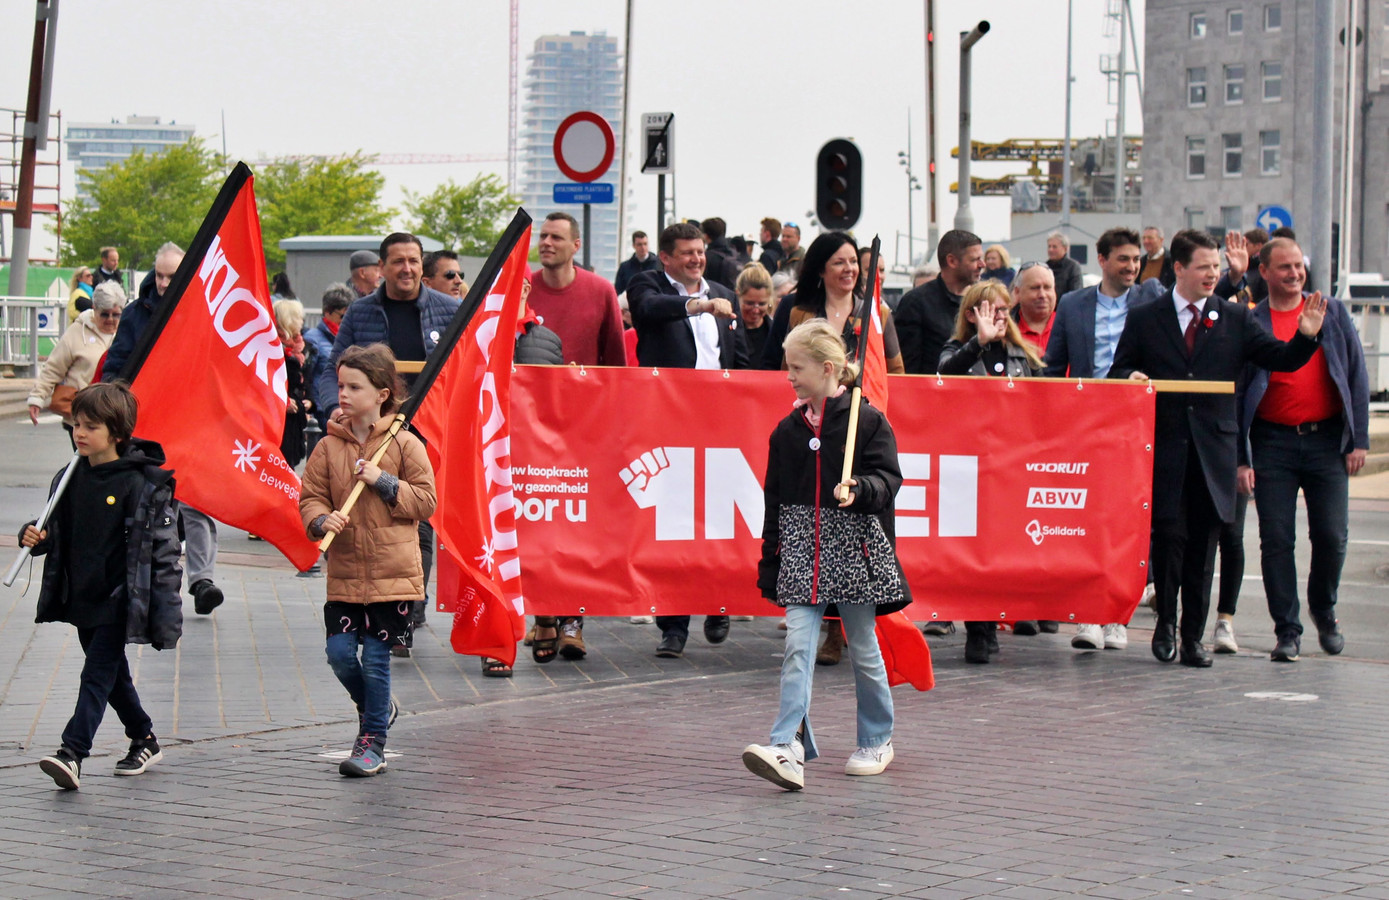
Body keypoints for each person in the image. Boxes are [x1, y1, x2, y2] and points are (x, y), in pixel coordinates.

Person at [1110, 229, 1327, 668]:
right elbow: (1120, 369)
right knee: (1168, 539)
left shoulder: (1234, 318)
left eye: (1216, 267)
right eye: (1204, 267)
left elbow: (1279, 358)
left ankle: (1193, 637)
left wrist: (1305, 337)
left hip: (1214, 451)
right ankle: (1165, 624)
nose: (1213, 275)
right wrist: (1130, 377)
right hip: (1166, 447)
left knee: (1203, 547)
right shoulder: (1147, 317)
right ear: (1178, 268)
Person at [742, 319, 906, 791]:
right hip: (800, 548)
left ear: (828, 368)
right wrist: (771, 561)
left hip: (852, 547)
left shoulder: (866, 421)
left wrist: (862, 488)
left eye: (797, 367)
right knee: (797, 645)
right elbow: (774, 501)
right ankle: (786, 746)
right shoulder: (786, 432)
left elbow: (889, 480)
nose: (789, 376)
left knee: (863, 647)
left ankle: (876, 738)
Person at [25, 382, 182, 790]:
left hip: (120, 598)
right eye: (76, 424)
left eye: (90, 427)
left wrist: (163, 608)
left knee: (95, 674)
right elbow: (54, 529)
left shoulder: (139, 483)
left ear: (116, 433)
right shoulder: (70, 476)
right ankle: (144, 737)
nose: (79, 433)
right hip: (82, 594)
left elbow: (162, 552)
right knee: (114, 676)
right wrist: (36, 535)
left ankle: (72, 753)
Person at [300, 344, 437, 777]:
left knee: (377, 660)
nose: (343, 394)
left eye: (354, 387)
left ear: (382, 394)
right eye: (341, 385)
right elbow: (310, 498)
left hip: (393, 575)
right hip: (345, 574)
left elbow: (426, 502)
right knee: (339, 654)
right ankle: (377, 707)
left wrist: (384, 481)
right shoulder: (327, 447)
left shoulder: (405, 443)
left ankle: (371, 742)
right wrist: (320, 520)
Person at [322, 233, 459, 646]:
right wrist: (334, 405)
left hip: (428, 433)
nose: (407, 269)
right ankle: (387, 607)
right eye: (398, 261)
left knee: (419, 522)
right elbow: (332, 368)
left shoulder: (449, 309)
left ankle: (408, 613)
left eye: (414, 260)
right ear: (381, 268)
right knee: (378, 518)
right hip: (375, 432)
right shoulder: (361, 312)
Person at [1238, 237, 1368, 662]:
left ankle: (1323, 608)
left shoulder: (1331, 312)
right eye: (1285, 267)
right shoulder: (1252, 321)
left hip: (1326, 441)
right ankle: (1287, 630)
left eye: (1298, 266)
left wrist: (1359, 439)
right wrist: (1242, 457)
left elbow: (1356, 373)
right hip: (1271, 442)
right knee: (1276, 540)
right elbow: (1239, 392)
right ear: (1265, 271)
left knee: (1332, 536)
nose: (1294, 274)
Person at [627, 221, 749, 656]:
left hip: (719, 425)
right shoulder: (648, 284)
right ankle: (673, 625)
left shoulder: (725, 293)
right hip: (669, 424)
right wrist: (700, 306)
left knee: (719, 518)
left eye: (700, 251)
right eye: (687, 253)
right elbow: (649, 309)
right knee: (674, 522)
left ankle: (719, 603)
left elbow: (738, 358)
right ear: (665, 257)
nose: (697, 259)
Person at [1044, 227, 1163, 649]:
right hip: (1087, 423)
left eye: (1136, 260)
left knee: (1127, 521)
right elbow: (1054, 367)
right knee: (1087, 520)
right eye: (1123, 259)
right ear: (1102, 260)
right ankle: (1088, 615)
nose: (1131, 267)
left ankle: (1117, 616)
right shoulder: (1073, 304)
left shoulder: (1152, 300)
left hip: (1136, 424)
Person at [102, 242, 226, 618]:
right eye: (159, 274)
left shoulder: (205, 312)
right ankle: (148, 580)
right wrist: (114, 403)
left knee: (196, 500)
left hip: (192, 422)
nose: (163, 282)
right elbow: (116, 364)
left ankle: (202, 580)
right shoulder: (135, 313)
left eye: (171, 276)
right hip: (146, 421)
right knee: (150, 503)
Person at [937, 282, 1044, 662]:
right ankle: (977, 630)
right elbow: (945, 375)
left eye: (1003, 310)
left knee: (1003, 546)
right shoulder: (957, 349)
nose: (1000, 317)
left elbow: (1044, 401)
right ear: (971, 315)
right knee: (973, 549)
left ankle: (996, 618)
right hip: (970, 464)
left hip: (1011, 462)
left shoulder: (1022, 354)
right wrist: (978, 343)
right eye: (991, 310)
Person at [760, 231, 906, 376]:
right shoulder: (800, 314)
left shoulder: (878, 315)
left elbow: (897, 372)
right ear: (821, 270)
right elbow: (789, 371)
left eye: (853, 261)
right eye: (839, 263)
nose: (849, 269)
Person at [527, 212, 626, 368]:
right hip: (531, 383)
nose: (546, 242)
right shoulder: (522, 290)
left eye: (556, 237)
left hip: (585, 384)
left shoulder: (602, 290)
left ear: (576, 245)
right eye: (543, 236)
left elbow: (616, 361)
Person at [30, 281, 123, 444]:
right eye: (104, 314)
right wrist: (37, 398)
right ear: (94, 309)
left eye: (115, 315)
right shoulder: (76, 332)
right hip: (81, 416)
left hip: (113, 416)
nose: (110, 319)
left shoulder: (126, 333)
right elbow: (53, 368)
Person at [894, 229, 985, 376]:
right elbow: (909, 368)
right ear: (952, 261)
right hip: (936, 388)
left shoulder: (983, 300)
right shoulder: (916, 303)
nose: (982, 264)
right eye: (975, 259)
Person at [305, 283, 355, 430]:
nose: (346, 320)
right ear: (327, 312)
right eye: (342, 316)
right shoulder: (312, 338)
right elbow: (306, 377)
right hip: (321, 411)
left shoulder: (350, 337)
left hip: (345, 409)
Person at [274, 299, 311, 468]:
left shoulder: (302, 347)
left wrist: (310, 401)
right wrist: (282, 401)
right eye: (299, 317)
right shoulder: (273, 347)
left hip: (295, 416)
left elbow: (307, 379)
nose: (302, 321)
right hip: (280, 418)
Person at [737, 263, 776, 368]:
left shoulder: (775, 334)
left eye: (762, 304)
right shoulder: (728, 332)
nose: (755, 310)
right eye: (749, 303)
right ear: (737, 296)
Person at [1012, 262, 1056, 355]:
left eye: (1047, 287)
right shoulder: (1006, 331)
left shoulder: (1071, 327)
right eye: (1035, 288)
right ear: (1017, 292)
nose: (1042, 295)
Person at [613, 230, 661, 295]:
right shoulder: (624, 267)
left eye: (645, 244)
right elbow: (618, 291)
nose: (643, 247)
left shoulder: (659, 264)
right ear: (633, 246)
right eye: (639, 244)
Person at [701, 217, 742, 290]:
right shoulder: (735, 254)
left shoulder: (707, 257)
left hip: (715, 294)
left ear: (706, 236)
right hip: (732, 294)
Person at [1045, 232, 1084, 296]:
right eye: (1049, 246)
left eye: (1054, 247)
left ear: (1065, 249)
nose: (1050, 250)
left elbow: (1076, 293)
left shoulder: (1073, 267)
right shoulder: (1044, 268)